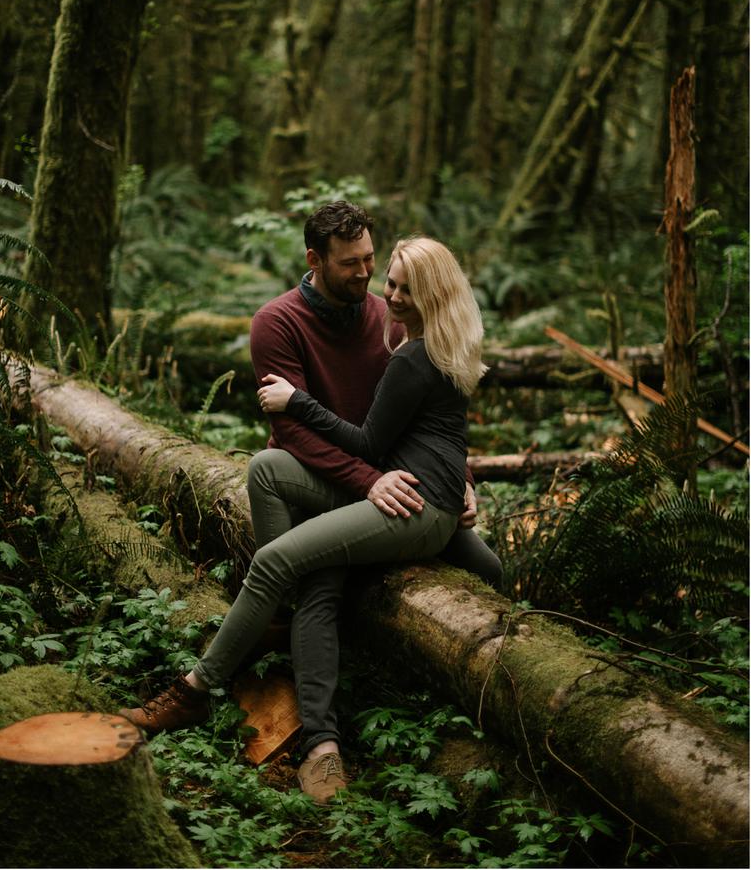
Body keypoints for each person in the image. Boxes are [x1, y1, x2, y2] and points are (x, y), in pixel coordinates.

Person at [120, 204, 502, 804]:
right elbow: (300, 438)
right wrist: (372, 478)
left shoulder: (392, 322)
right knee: (268, 468)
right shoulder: (278, 323)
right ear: (315, 260)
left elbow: (424, 419)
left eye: (375, 263)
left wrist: (460, 479)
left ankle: (210, 688)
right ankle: (302, 700)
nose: (371, 278)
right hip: (364, 481)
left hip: (396, 489)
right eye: (355, 265)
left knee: (300, 570)